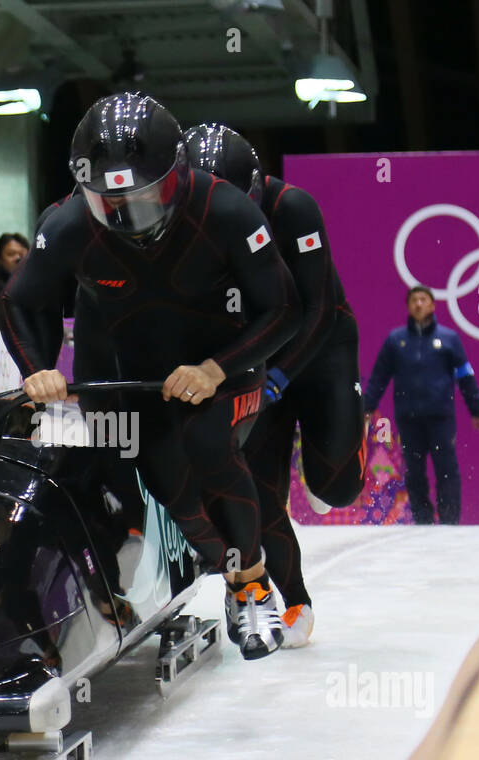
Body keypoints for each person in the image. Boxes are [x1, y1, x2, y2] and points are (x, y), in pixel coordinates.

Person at [1, 93, 298, 660]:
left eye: (141, 199)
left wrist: (216, 369)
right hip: (137, 374)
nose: (126, 218)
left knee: (210, 446)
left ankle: (252, 586)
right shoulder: (67, 225)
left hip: (221, 364)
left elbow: (283, 308)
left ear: (175, 178)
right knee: (164, 481)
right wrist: (36, 369)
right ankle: (189, 565)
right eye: (108, 202)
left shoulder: (228, 212)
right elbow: (20, 302)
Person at [183, 123, 366, 647]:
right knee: (257, 492)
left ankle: (341, 442)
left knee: (337, 489)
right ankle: (295, 601)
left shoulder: (296, 209)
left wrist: (280, 378)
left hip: (319, 342)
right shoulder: (186, 224)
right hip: (253, 353)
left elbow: (317, 307)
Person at [364, 285, 479, 525]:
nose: (419, 304)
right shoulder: (396, 341)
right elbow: (380, 376)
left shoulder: (448, 339)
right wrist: (368, 406)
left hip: (440, 417)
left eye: (423, 300)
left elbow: (465, 375)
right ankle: (423, 519)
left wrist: (476, 407)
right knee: (415, 472)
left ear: (432, 305)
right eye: (414, 300)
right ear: (408, 306)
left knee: (446, 469)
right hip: (409, 418)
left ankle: (450, 519)